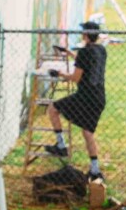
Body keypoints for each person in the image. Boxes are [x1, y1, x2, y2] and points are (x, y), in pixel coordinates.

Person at [43, 21, 107, 182]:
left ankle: (61, 145)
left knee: (53, 109)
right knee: (88, 132)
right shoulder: (101, 50)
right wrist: (69, 53)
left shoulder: (85, 52)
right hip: (98, 97)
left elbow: (76, 78)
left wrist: (59, 74)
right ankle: (95, 169)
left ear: (85, 34)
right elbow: (87, 62)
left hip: (85, 96)